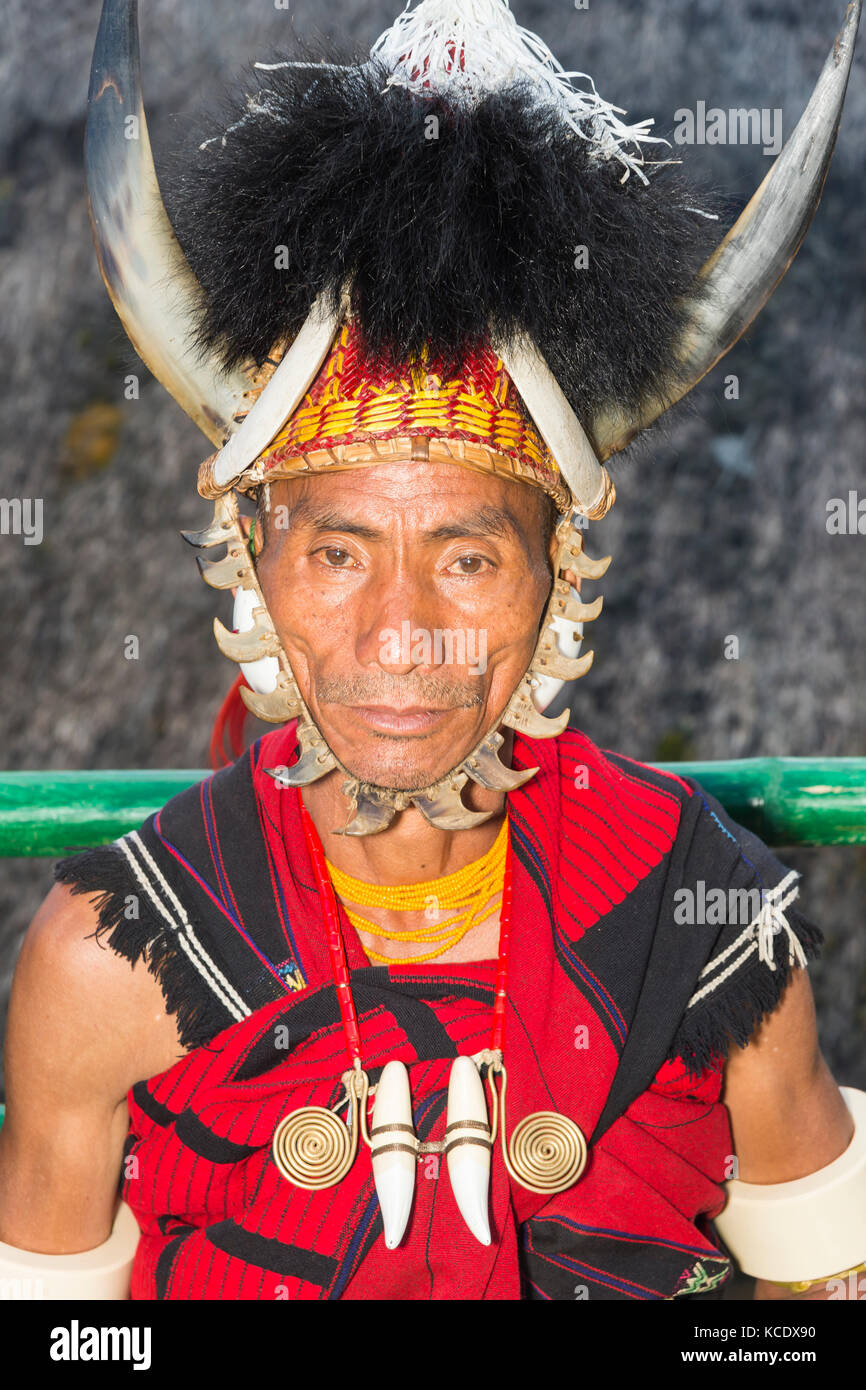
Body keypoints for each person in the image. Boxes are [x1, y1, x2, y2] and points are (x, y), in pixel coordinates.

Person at [0, 0, 863, 1301]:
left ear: (556, 571)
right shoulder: (112, 956)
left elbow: (824, 1289)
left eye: (465, 556)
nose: (397, 632)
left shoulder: (703, 914)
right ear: (257, 564)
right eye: (338, 551)